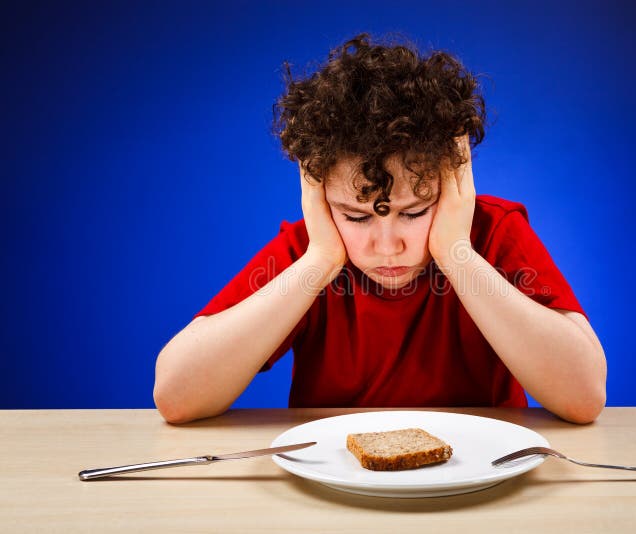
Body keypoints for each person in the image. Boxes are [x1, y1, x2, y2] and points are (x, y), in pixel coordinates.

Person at [153, 34, 607, 425]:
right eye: (357, 216)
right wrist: (320, 261)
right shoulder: (311, 247)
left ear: (452, 184)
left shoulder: (491, 232)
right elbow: (176, 396)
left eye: (415, 212)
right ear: (321, 198)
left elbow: (584, 397)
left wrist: (456, 252)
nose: (388, 247)